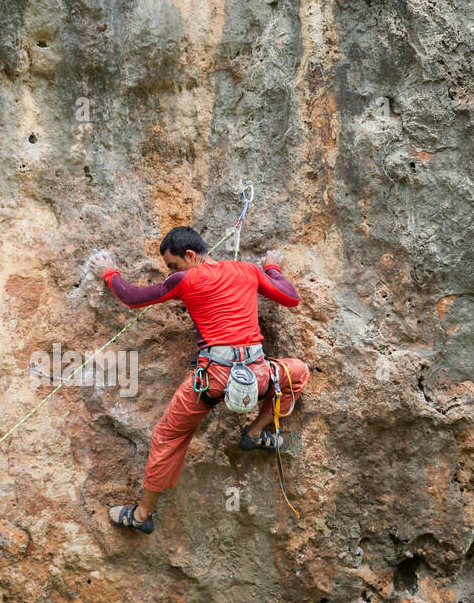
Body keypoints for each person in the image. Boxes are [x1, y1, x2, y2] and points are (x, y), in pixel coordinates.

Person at [86, 227, 310, 534]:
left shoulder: (185, 279)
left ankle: (141, 515)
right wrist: (271, 267)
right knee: (296, 374)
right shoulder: (247, 271)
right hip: (257, 375)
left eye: (173, 265)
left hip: (212, 380)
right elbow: (290, 297)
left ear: (190, 255)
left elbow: (133, 297)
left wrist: (109, 272)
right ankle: (256, 433)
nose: (172, 272)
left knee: (167, 435)